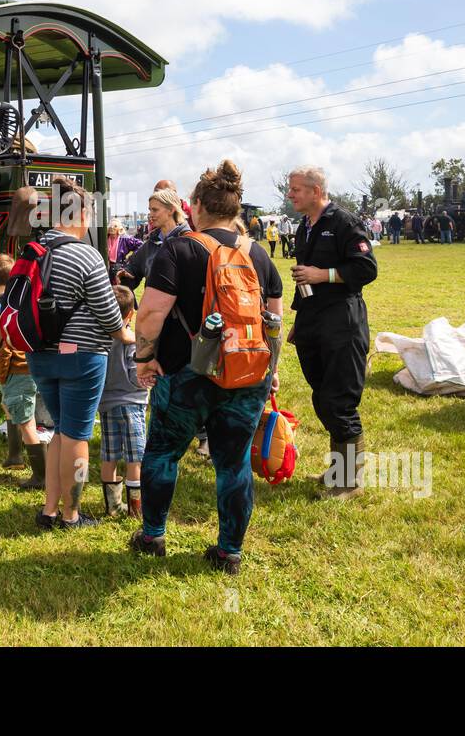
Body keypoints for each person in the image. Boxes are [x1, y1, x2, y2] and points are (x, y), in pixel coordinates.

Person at [130, 161, 284, 574]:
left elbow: (149, 316)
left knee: (163, 453)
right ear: (235, 209)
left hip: (186, 374)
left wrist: (145, 359)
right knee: (232, 463)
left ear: (195, 206)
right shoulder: (259, 255)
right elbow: (273, 322)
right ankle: (229, 551)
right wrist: (270, 374)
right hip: (247, 374)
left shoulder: (177, 250)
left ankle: (153, 535)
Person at [27, 178, 124, 530]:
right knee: (78, 436)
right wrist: (126, 334)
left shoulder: (34, 250)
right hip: (82, 358)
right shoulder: (86, 255)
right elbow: (109, 313)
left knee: (60, 432)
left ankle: (49, 510)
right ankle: (72, 514)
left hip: (40, 356)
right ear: (80, 213)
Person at [287, 166, 377, 500]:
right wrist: (300, 319)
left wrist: (323, 274)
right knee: (322, 396)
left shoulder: (344, 222)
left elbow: (367, 268)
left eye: (295, 189)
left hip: (342, 322)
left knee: (339, 401)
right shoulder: (304, 226)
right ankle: (337, 470)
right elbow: (303, 277)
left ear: (315, 190)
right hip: (313, 321)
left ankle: (349, 482)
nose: (290, 194)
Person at [0, 253, 47, 490]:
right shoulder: (25, 301)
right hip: (24, 368)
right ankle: (15, 457)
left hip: (16, 369)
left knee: (26, 422)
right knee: (12, 408)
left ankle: (41, 477)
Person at [98, 284, 146, 518]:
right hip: (132, 404)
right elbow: (135, 375)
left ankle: (112, 507)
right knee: (134, 458)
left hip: (106, 404)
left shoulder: (100, 339)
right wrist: (148, 381)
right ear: (130, 315)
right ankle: (136, 509)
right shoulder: (131, 340)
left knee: (110, 455)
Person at [117, 188, 188, 293]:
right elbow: (134, 266)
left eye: (155, 210)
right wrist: (126, 273)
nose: (150, 214)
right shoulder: (152, 242)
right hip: (151, 307)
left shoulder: (187, 240)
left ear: (171, 210)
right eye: (150, 210)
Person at [105, 218, 141, 283]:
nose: (112, 228)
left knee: (120, 289)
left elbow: (141, 245)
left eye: (115, 226)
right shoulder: (106, 237)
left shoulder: (125, 238)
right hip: (106, 267)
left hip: (119, 268)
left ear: (119, 228)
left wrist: (132, 257)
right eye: (110, 226)